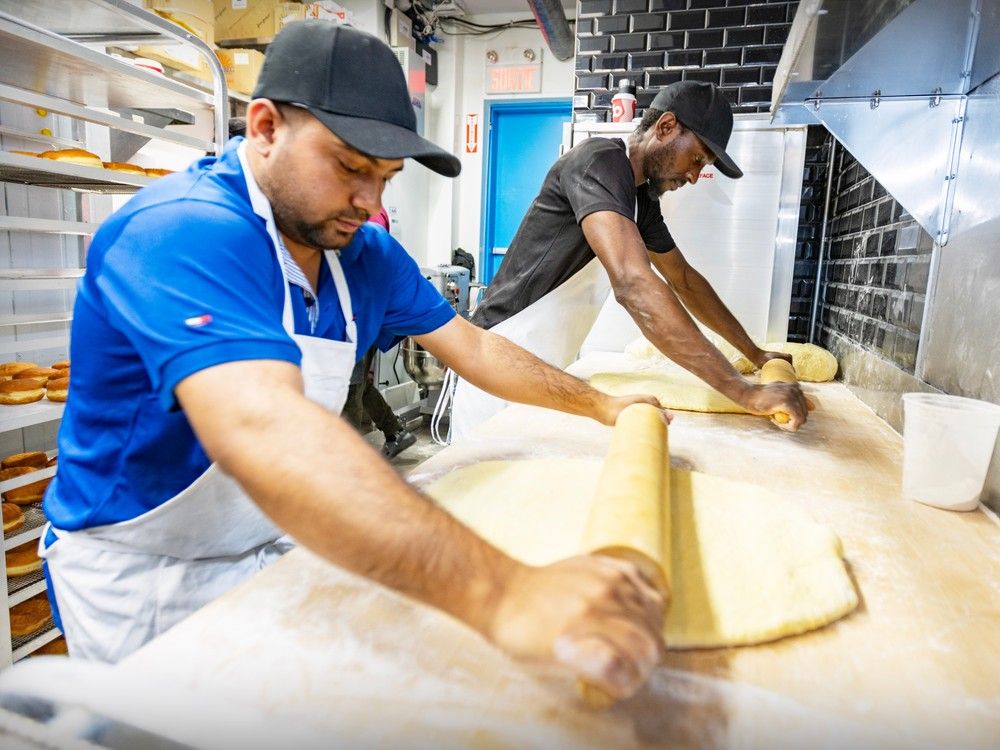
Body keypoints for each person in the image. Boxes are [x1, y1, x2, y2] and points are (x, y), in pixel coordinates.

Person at [39, 21, 666, 702]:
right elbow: (265, 429)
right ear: (265, 127)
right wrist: (509, 592)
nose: (371, 203)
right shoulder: (182, 231)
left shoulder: (364, 256)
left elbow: (477, 347)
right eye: (349, 167)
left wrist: (603, 405)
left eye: (386, 178)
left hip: (274, 543)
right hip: (145, 576)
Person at [449, 81, 809, 441]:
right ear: (665, 127)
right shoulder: (598, 162)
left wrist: (756, 354)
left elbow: (682, 279)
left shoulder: (640, 201)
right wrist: (742, 391)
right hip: (497, 364)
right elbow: (634, 284)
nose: (695, 176)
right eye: (697, 159)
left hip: (544, 371)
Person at [342, 209, 418, 458]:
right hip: (357, 319)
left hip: (358, 321)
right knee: (360, 386)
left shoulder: (371, 219)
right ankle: (395, 431)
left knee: (351, 390)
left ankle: (350, 463)